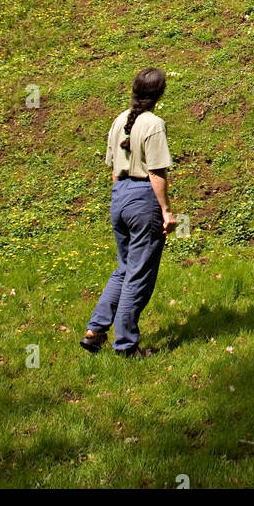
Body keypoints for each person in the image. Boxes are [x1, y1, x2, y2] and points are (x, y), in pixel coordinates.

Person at [81, 67, 178, 358]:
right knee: (139, 274)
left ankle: (95, 330)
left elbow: (113, 169)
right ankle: (125, 345)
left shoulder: (119, 120)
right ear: (160, 94)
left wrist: (120, 199)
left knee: (124, 268)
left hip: (119, 196)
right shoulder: (154, 124)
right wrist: (166, 211)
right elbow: (156, 172)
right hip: (142, 198)